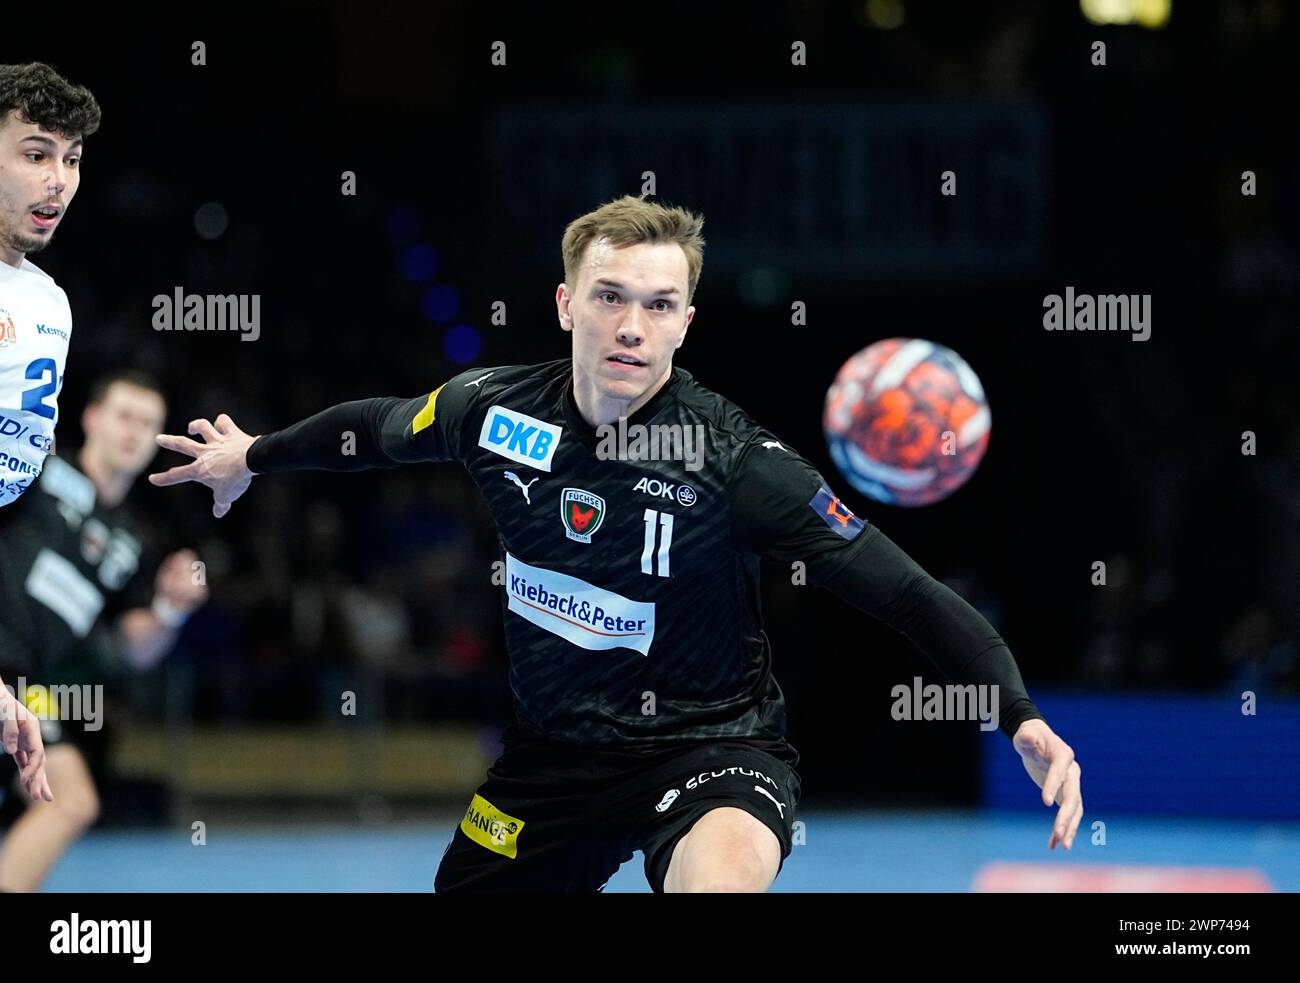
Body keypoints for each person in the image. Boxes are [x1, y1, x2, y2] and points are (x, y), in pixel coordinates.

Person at [150, 195, 1083, 892]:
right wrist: (252, 458)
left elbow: (907, 592)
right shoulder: (493, 410)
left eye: (658, 303)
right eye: (609, 296)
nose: (631, 326)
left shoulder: (738, 462)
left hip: (713, 747)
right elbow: (375, 427)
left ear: (685, 320)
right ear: (564, 304)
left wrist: (1019, 711)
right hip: (553, 760)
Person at [0, 370, 208, 891]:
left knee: (69, 799)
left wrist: (169, 610)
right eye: (124, 416)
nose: (134, 432)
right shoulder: (37, 470)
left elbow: (134, 651)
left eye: (149, 423)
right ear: (92, 418)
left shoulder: (133, 541)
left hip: (27, 687)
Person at [0, 62, 100, 507]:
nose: (59, 180)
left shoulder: (52, 303)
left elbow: (33, 441)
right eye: (36, 155)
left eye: (72, 159)